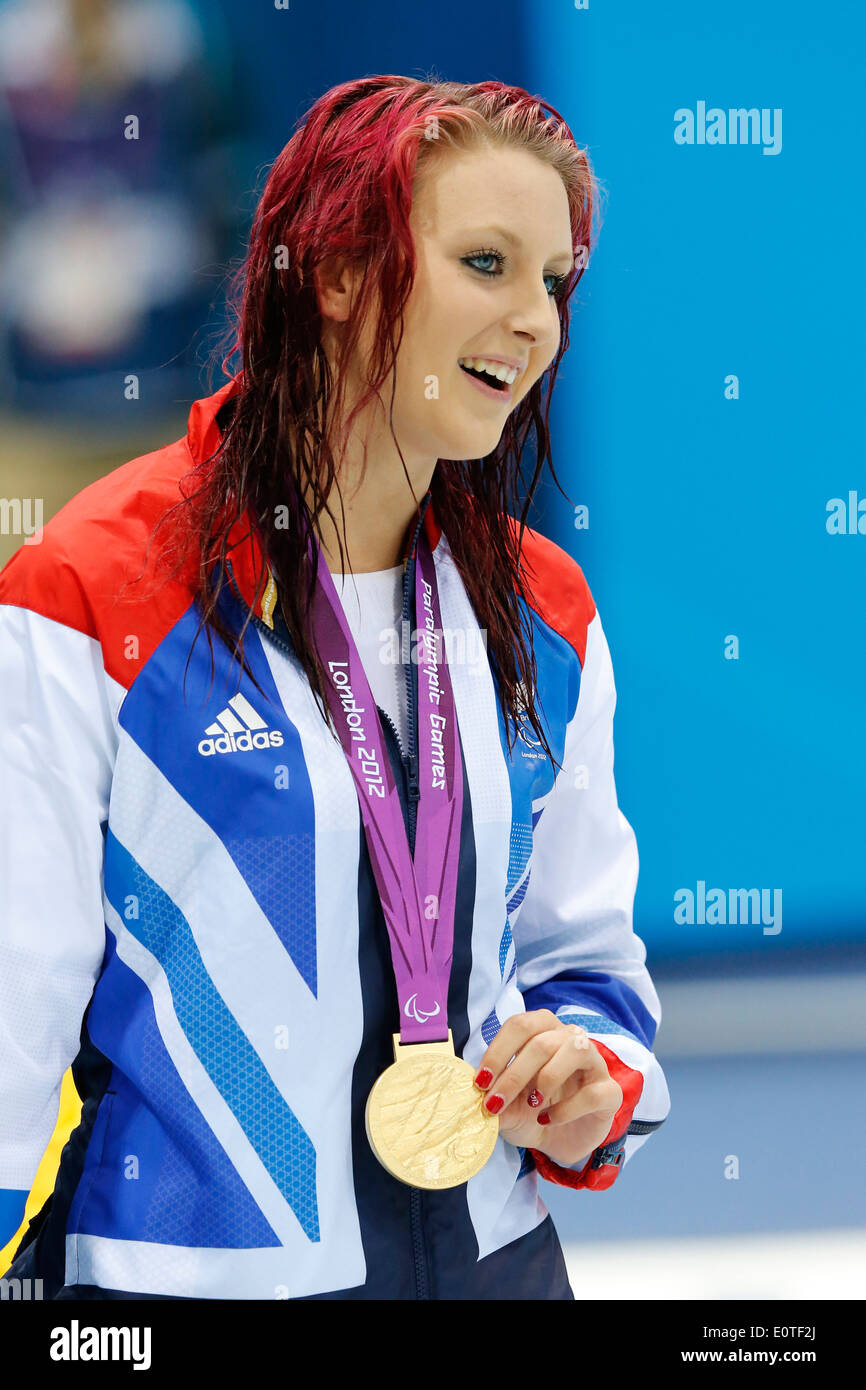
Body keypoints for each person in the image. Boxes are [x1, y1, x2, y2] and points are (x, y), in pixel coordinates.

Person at [0, 74, 670, 1300]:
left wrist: (583, 1081)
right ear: (341, 272)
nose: (534, 320)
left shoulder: (542, 610)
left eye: (555, 281)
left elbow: (588, 965)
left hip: (497, 1271)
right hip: (171, 1287)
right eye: (485, 262)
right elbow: (8, 1007)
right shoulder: (93, 592)